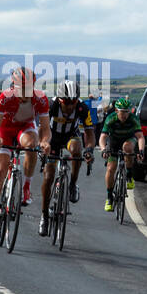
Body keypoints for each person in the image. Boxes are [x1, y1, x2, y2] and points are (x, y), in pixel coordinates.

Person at [0, 68, 50, 233]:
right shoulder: (5, 97)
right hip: (5, 130)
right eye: (22, 87)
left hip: (25, 128)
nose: (26, 92)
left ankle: (26, 186)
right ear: (14, 86)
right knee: (0, 170)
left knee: (32, 144)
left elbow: (46, 129)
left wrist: (44, 142)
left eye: (29, 87)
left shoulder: (40, 98)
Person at [39, 81, 95, 236]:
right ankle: (44, 215)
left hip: (71, 136)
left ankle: (72, 185)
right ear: (60, 100)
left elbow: (90, 133)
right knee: (49, 176)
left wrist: (89, 150)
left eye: (73, 102)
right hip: (52, 138)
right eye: (66, 102)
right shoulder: (51, 106)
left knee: (77, 150)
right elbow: (40, 129)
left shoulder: (82, 108)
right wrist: (42, 145)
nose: (70, 106)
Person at [99, 98, 145, 212]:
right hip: (114, 142)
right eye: (122, 111)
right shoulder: (111, 119)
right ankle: (109, 198)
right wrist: (104, 149)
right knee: (111, 168)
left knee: (127, 148)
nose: (124, 114)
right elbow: (103, 137)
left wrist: (141, 150)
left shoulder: (133, 119)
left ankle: (129, 175)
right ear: (116, 110)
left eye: (127, 111)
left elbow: (140, 137)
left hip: (129, 139)